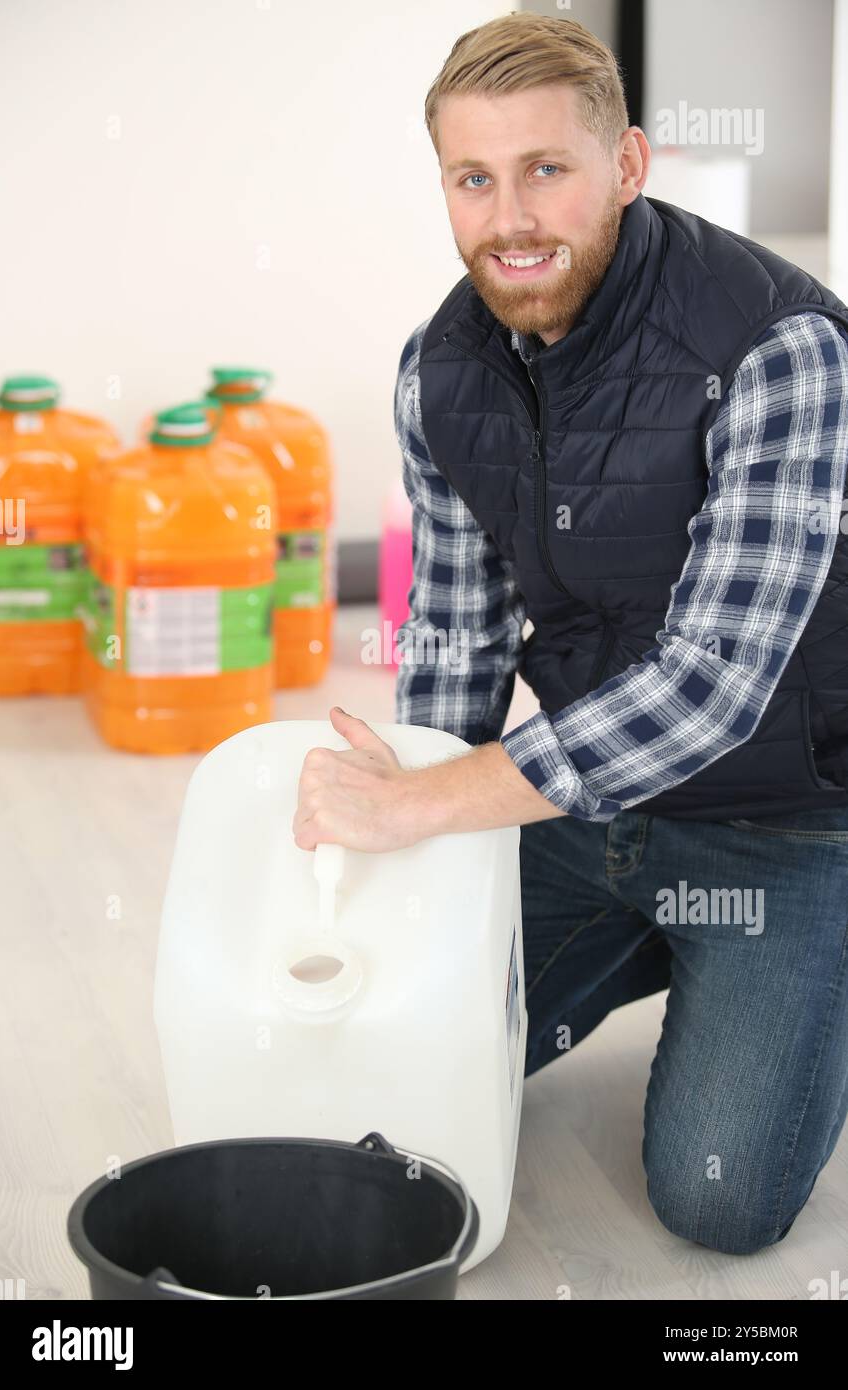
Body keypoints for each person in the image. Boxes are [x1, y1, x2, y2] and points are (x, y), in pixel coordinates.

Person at [292, 13, 848, 1256]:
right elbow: (454, 624)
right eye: (472, 179)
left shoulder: (778, 347)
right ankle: (657, 932)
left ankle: (784, 965)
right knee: (383, 1055)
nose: (510, 219)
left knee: (718, 1202)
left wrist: (427, 812)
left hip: (793, 819)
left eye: (545, 168)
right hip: (594, 807)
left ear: (628, 166)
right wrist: (415, 791)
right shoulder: (436, 369)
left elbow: (709, 691)